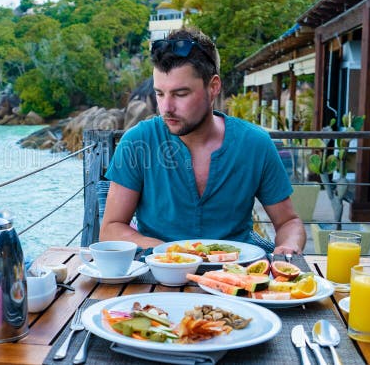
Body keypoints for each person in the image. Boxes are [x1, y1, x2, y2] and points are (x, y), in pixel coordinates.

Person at [99, 27, 305, 255]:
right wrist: (169, 252)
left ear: (213, 87)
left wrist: (288, 247)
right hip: (157, 275)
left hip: (237, 277)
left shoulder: (256, 144)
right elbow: (111, 229)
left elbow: (288, 223)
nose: (166, 107)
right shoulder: (137, 142)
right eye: (160, 93)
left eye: (180, 94)